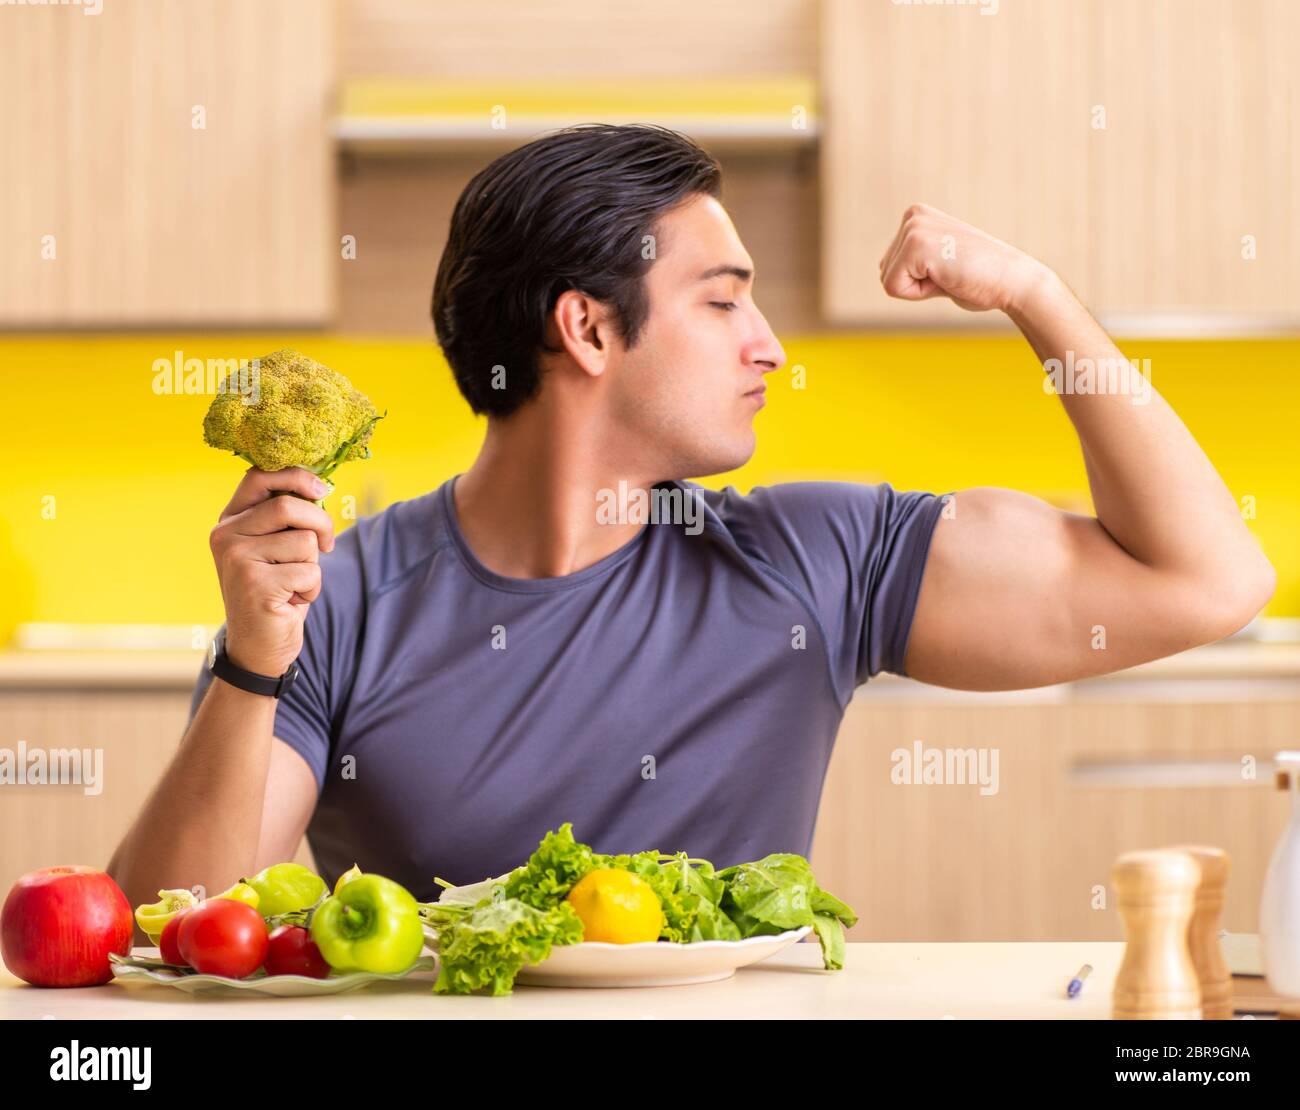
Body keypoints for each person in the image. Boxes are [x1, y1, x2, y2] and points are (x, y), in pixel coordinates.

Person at [108, 124, 1274, 910]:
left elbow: (1207, 584)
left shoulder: (816, 564)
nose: (766, 345)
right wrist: (255, 666)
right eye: (722, 304)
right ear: (590, 331)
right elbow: (174, 926)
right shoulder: (344, 597)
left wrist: (1038, 296)